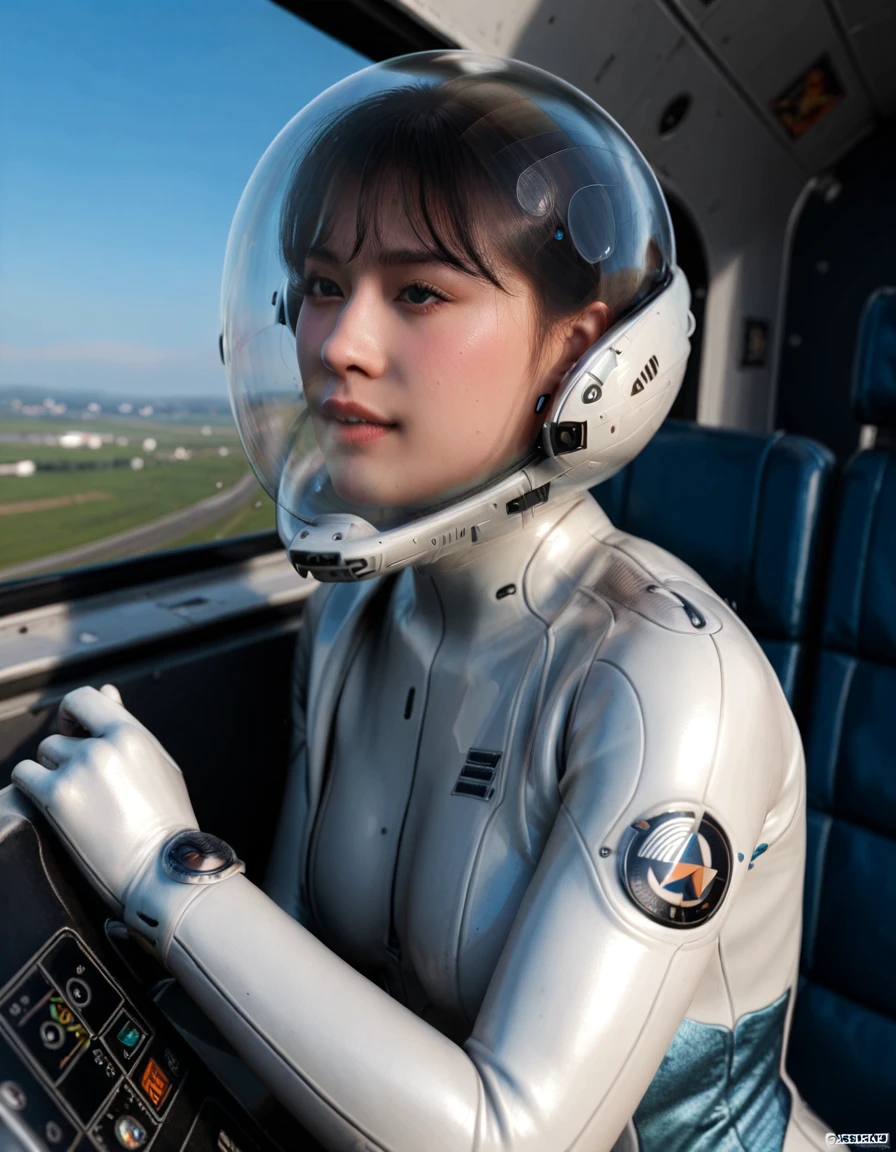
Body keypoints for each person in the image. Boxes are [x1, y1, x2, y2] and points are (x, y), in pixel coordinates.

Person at [13, 51, 830, 1151]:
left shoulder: (669, 685)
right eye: (316, 285)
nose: (338, 346)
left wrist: (170, 871)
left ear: (580, 359)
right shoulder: (351, 616)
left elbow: (516, 1139)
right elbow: (296, 970)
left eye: (416, 292)